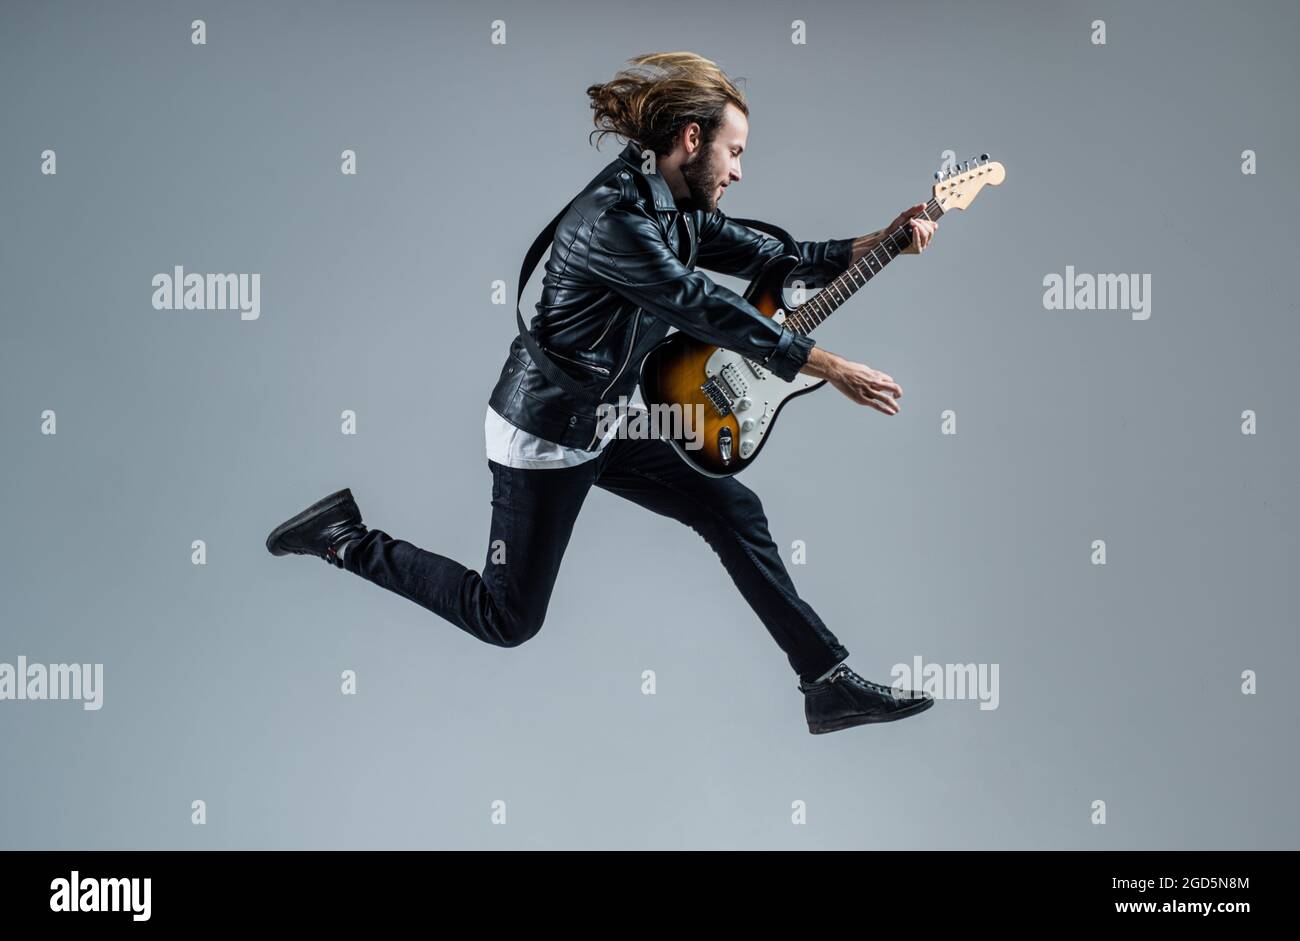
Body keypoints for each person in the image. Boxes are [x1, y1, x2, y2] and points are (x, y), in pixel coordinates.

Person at [266, 53, 939, 734]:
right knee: (506, 620)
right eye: (735, 152)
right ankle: (343, 539)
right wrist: (830, 366)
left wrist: (885, 241)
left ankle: (825, 682)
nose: (739, 171)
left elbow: (774, 257)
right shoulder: (614, 219)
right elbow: (701, 304)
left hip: (609, 422)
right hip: (547, 433)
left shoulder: (675, 207)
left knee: (732, 508)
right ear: (693, 140)